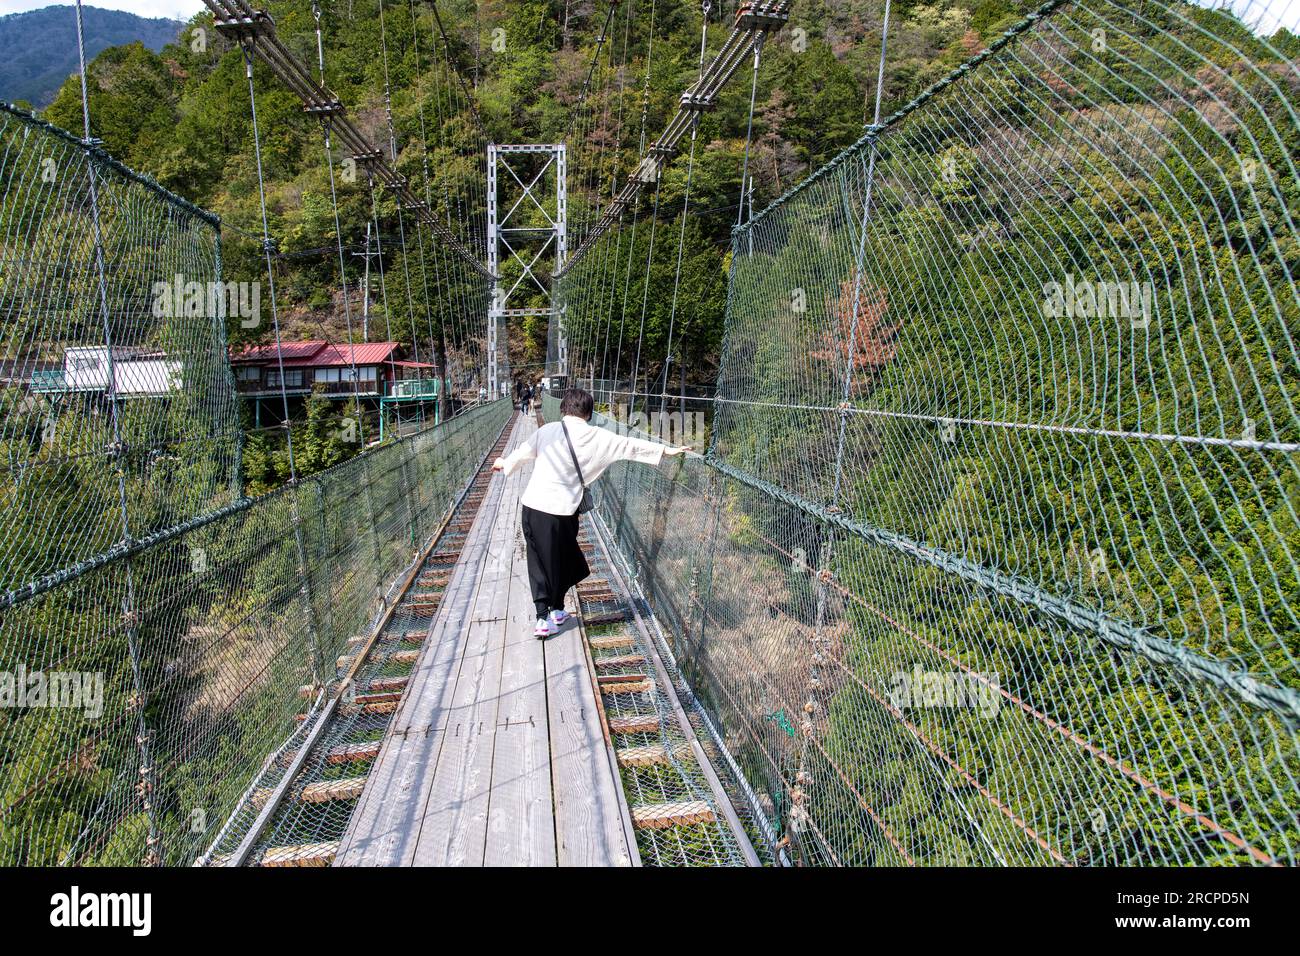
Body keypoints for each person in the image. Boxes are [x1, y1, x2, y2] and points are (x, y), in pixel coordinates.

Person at [492, 387, 689, 637]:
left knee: (540, 561)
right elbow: (629, 445)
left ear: (563, 408)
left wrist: (504, 463)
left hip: (531, 506)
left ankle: (551, 612)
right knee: (560, 559)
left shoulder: (547, 430)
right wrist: (664, 451)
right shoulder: (598, 436)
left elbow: (522, 452)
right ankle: (545, 616)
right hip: (560, 512)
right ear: (589, 412)